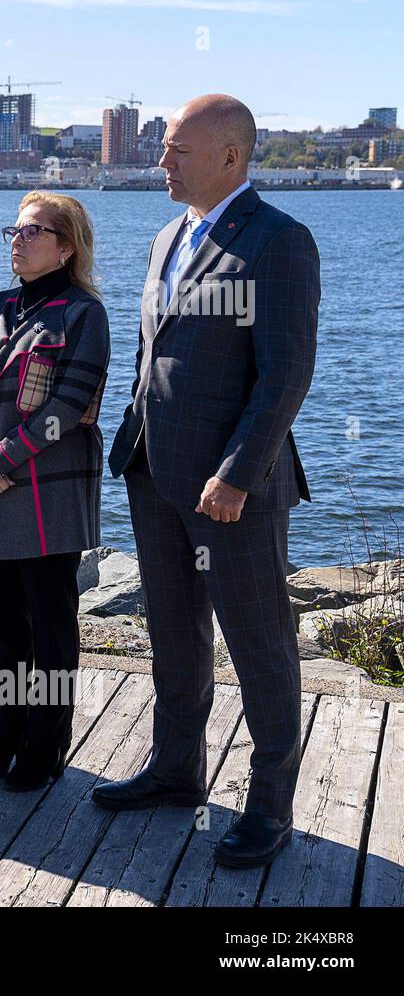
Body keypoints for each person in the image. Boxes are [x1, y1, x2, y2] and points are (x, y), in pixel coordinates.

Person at [96, 94, 320, 869]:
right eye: (162, 147)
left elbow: (286, 374)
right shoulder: (167, 236)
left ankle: (271, 807)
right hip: (154, 474)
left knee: (261, 647)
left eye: (175, 149)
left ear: (230, 156)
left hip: (232, 491)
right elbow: (155, 355)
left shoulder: (279, 241)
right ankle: (175, 770)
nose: (161, 160)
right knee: (173, 634)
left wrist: (235, 475)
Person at [0, 191, 109, 790]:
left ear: (66, 247)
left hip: (44, 491)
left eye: (33, 232)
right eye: (13, 231)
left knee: (50, 629)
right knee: (2, 625)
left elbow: (70, 405)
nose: (17, 240)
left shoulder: (83, 314)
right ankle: (8, 733)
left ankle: (46, 747)